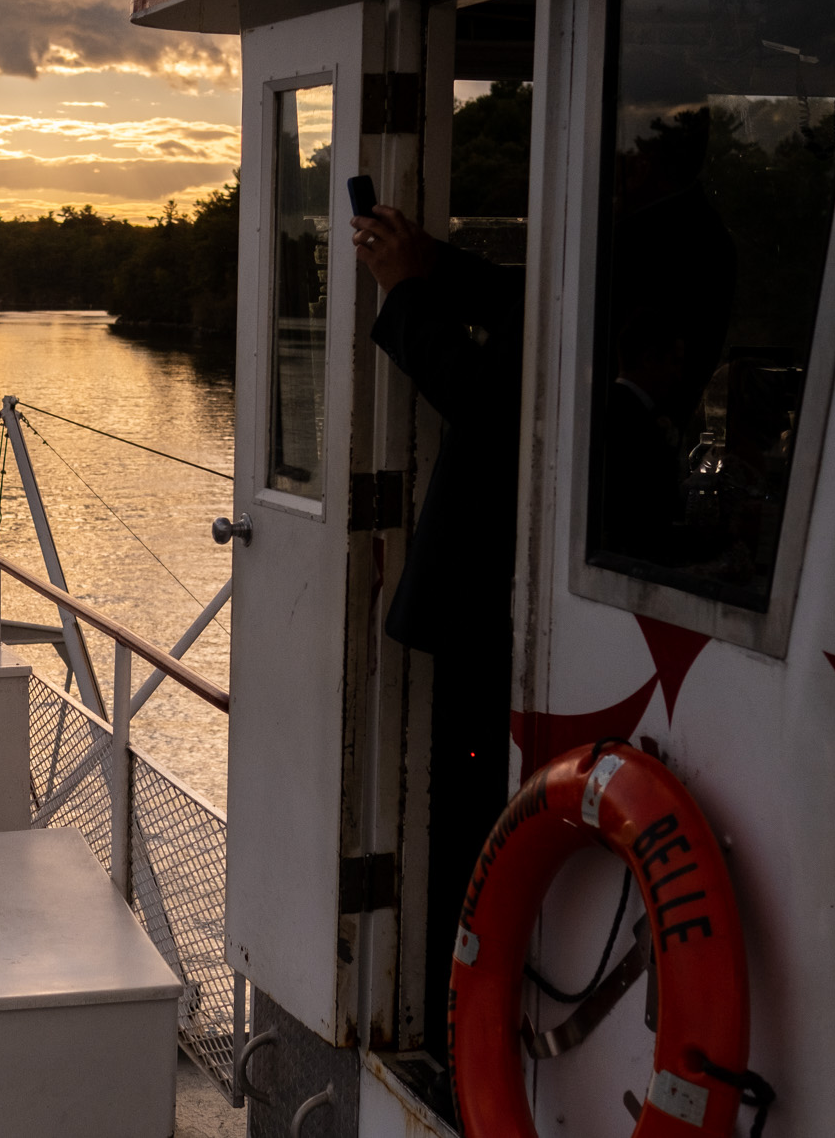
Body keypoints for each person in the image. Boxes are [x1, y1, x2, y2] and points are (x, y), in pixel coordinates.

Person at [349, 203, 522, 1062]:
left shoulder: (634, 265)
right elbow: (522, 298)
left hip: (490, 610)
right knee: (460, 804)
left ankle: (460, 1026)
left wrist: (407, 293)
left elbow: (484, 398)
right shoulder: (601, 272)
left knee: (466, 817)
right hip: (489, 612)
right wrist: (421, 261)